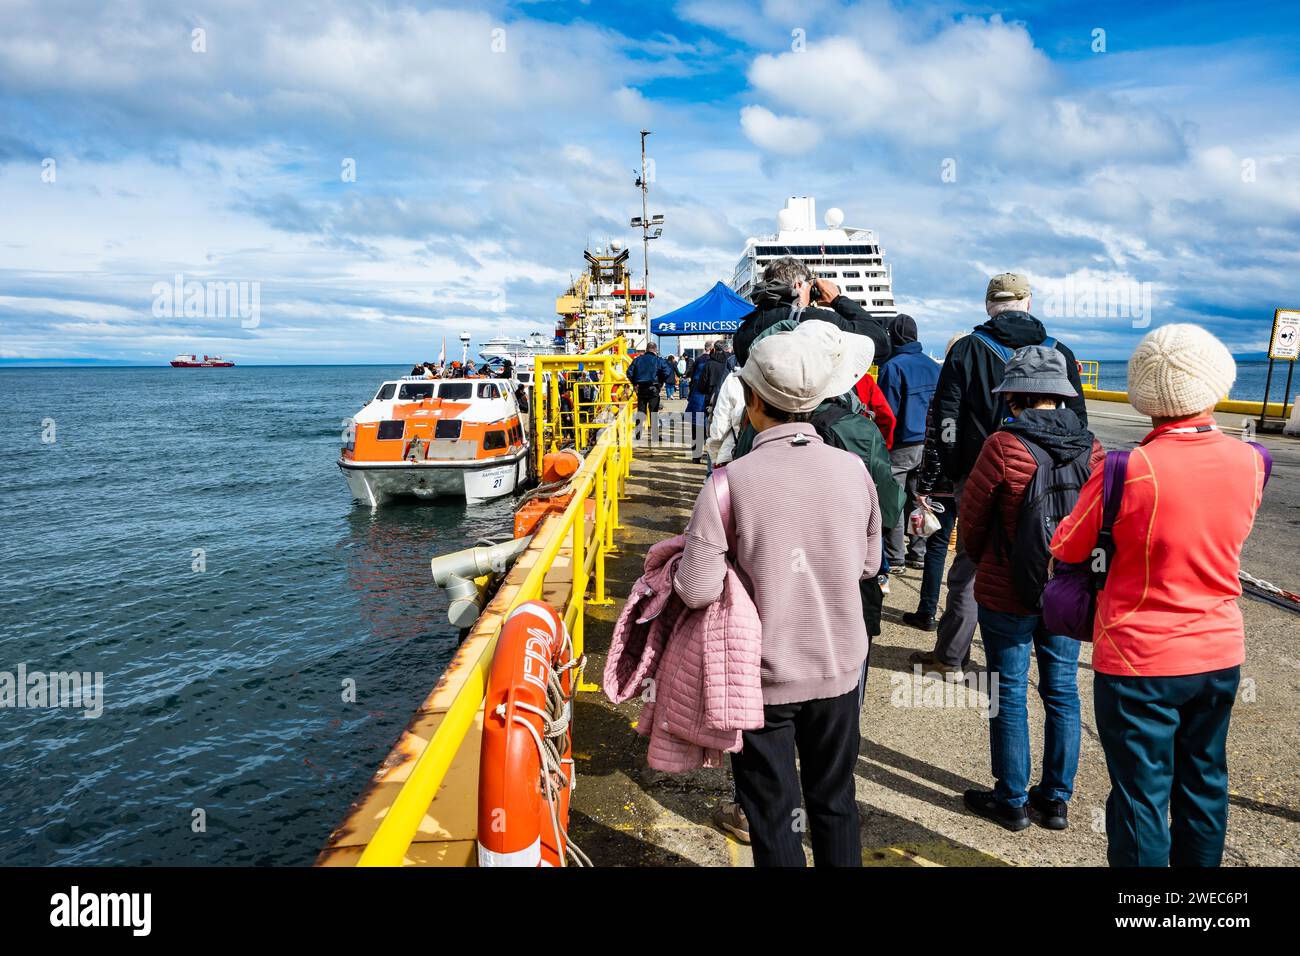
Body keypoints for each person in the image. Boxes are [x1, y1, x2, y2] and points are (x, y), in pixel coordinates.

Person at [1052, 325, 1264, 866]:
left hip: (1138, 656)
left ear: (1146, 395)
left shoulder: (1129, 469)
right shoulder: (1253, 461)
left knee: (1140, 796)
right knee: (1205, 781)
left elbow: (1068, 547)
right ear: (1214, 384)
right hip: (1218, 650)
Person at [674, 320, 881, 867]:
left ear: (752, 400)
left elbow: (696, 589)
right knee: (836, 802)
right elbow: (870, 563)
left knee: (772, 811)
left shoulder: (728, 482)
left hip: (763, 679)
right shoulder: (854, 470)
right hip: (839, 668)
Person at [958, 346, 1103, 832]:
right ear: (1061, 394)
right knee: (1062, 690)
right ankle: (1056, 800)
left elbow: (973, 520)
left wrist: (982, 561)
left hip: (1008, 589)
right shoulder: (1092, 445)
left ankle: (1013, 800)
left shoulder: (1003, 445)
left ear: (1014, 396)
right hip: (1067, 588)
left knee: (1009, 692)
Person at [914, 273, 1086, 675]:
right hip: (1055, 475)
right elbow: (1079, 419)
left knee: (971, 566)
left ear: (989, 306)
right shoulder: (1059, 351)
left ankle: (951, 657)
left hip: (982, 470)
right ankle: (1051, 660)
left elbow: (947, 417)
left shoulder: (968, 349)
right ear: (1029, 303)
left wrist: (957, 470)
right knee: (1052, 556)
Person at [902, 332, 967, 634]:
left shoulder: (944, 393)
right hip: (972, 482)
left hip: (941, 483)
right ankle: (961, 620)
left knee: (937, 547)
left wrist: (924, 487)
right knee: (968, 551)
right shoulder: (988, 392)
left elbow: (935, 442)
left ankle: (927, 610)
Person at [732, 256, 891, 369]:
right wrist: (837, 300)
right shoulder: (813, 319)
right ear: (798, 286)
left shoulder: (744, 329)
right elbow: (880, 342)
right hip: (808, 413)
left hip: (760, 414)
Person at [876, 314, 940, 574]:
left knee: (895, 501)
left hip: (901, 445)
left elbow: (886, 413)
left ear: (894, 337)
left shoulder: (893, 366)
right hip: (928, 443)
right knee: (919, 500)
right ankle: (919, 552)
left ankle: (896, 557)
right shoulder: (934, 366)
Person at [627, 342, 669, 430]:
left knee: (641, 411)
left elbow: (629, 372)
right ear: (655, 350)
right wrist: (660, 382)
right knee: (653, 412)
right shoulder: (658, 360)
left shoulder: (638, 359)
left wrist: (635, 383)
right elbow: (667, 372)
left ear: (646, 349)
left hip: (641, 388)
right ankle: (654, 434)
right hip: (654, 388)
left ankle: (638, 432)